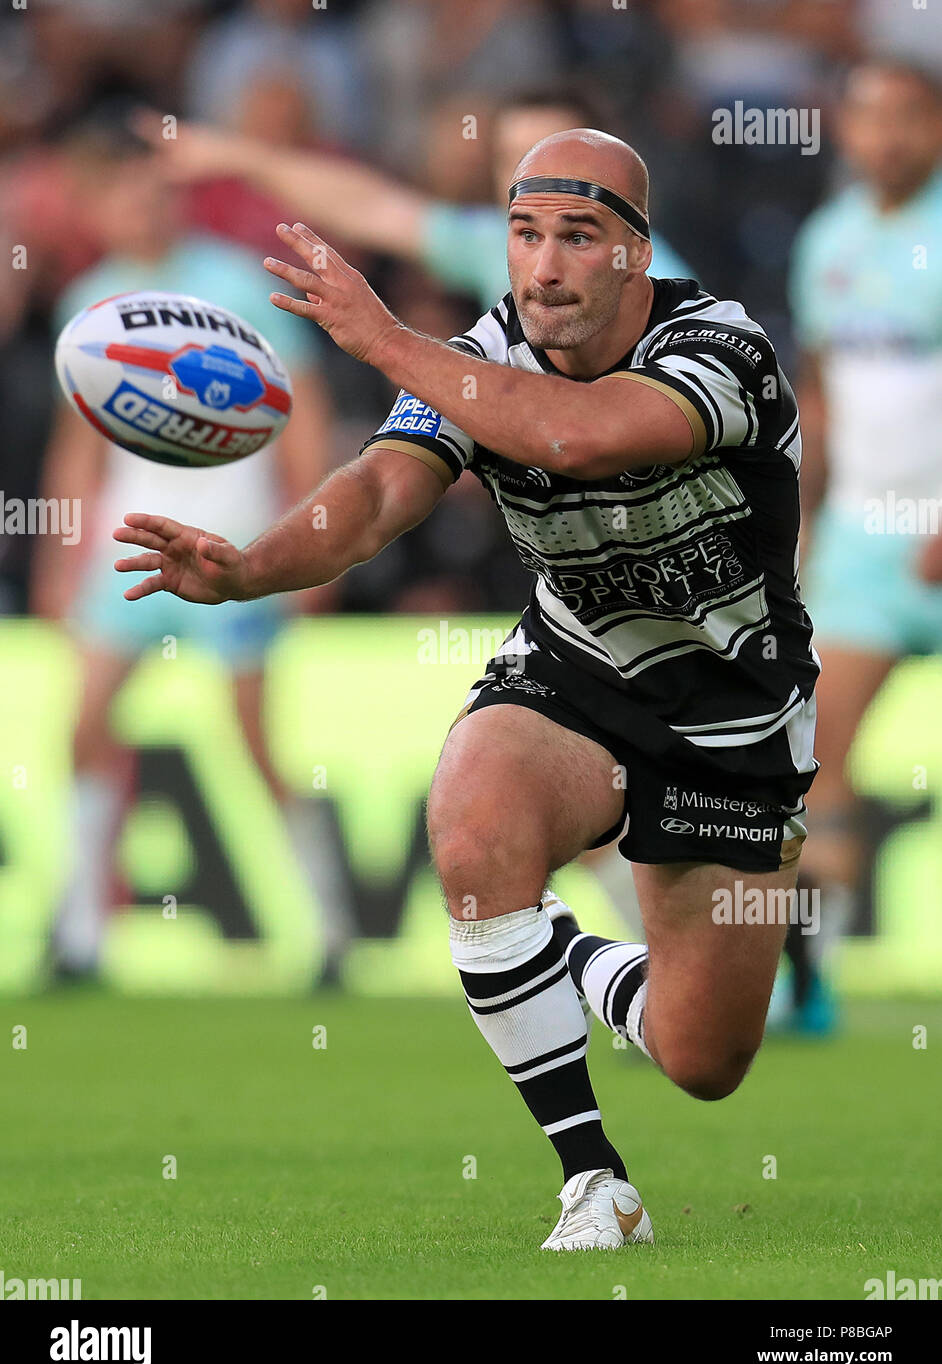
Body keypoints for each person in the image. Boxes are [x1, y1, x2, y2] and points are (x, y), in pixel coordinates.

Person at [114, 128, 818, 1250]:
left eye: (578, 237)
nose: (543, 267)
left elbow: (578, 439)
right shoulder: (481, 349)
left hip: (729, 717)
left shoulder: (719, 349)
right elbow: (381, 497)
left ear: (636, 254)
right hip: (573, 673)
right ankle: (596, 1184)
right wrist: (249, 566)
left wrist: (386, 339)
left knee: (701, 1059)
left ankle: (567, 952)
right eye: (525, 234)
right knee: (475, 825)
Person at [32, 116, 351, 980]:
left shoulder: (232, 287)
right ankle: (79, 938)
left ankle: (330, 934)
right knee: (87, 729)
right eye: (121, 195)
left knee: (251, 740)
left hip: (230, 549)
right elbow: (80, 444)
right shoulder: (84, 303)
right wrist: (61, 555)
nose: (141, 207)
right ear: (94, 209)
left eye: (152, 189)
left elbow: (303, 411)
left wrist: (312, 534)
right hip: (125, 553)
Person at [787, 60, 942, 1031]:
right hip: (863, 543)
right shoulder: (827, 241)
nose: (883, 137)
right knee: (814, 758)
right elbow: (820, 398)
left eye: (905, 117)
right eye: (865, 118)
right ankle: (814, 979)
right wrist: (800, 527)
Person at [145, 88, 695, 313]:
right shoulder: (488, 243)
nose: (531, 176)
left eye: (551, 155)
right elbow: (370, 207)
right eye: (513, 157)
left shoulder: (649, 283)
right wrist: (243, 158)